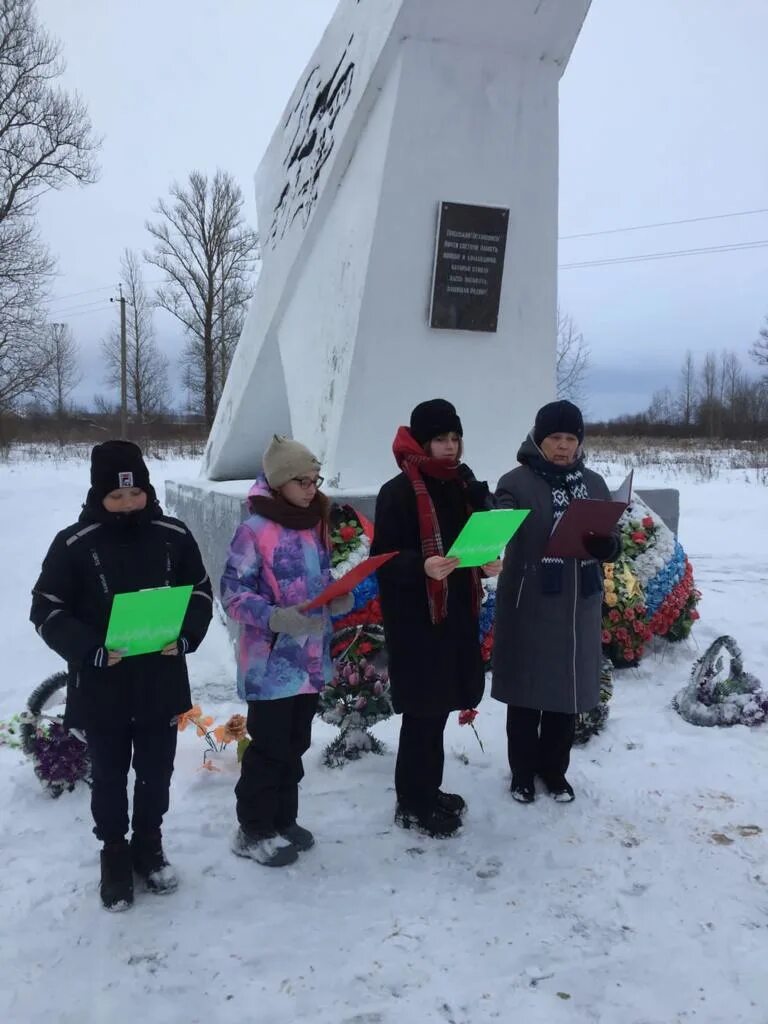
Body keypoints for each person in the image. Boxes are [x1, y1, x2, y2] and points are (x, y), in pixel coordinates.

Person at [30, 441, 213, 911]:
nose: (129, 503)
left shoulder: (173, 534)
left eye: (136, 494)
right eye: (117, 496)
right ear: (99, 495)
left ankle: (149, 845)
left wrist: (187, 636)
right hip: (101, 686)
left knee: (156, 772)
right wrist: (90, 648)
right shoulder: (74, 543)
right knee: (109, 776)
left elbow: (200, 591)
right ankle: (113, 853)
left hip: (160, 681)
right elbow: (46, 609)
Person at [371, 399, 501, 838]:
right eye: (440, 439)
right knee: (422, 714)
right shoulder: (399, 492)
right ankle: (412, 803)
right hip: (416, 621)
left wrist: (486, 562)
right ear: (422, 442)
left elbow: (470, 544)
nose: (450, 446)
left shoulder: (461, 486)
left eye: (455, 438)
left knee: (440, 708)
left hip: (455, 613)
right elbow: (384, 559)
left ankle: (428, 789)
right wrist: (420, 565)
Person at [221, 435, 352, 868]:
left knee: (295, 743)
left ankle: (283, 818)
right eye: (302, 481)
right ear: (279, 483)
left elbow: (319, 578)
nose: (312, 488)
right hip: (270, 662)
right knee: (269, 748)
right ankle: (253, 828)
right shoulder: (254, 530)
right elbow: (233, 593)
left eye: (315, 480)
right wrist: (274, 617)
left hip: (309, 659)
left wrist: (337, 595)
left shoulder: (313, 523)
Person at [492, 400, 620, 803]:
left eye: (570, 438)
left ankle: (555, 771)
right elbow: (499, 522)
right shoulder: (516, 482)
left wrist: (608, 546)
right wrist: (495, 516)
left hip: (579, 605)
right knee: (527, 692)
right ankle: (522, 773)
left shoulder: (594, 484)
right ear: (538, 439)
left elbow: (612, 538)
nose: (563, 446)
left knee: (567, 693)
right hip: (530, 602)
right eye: (554, 438)